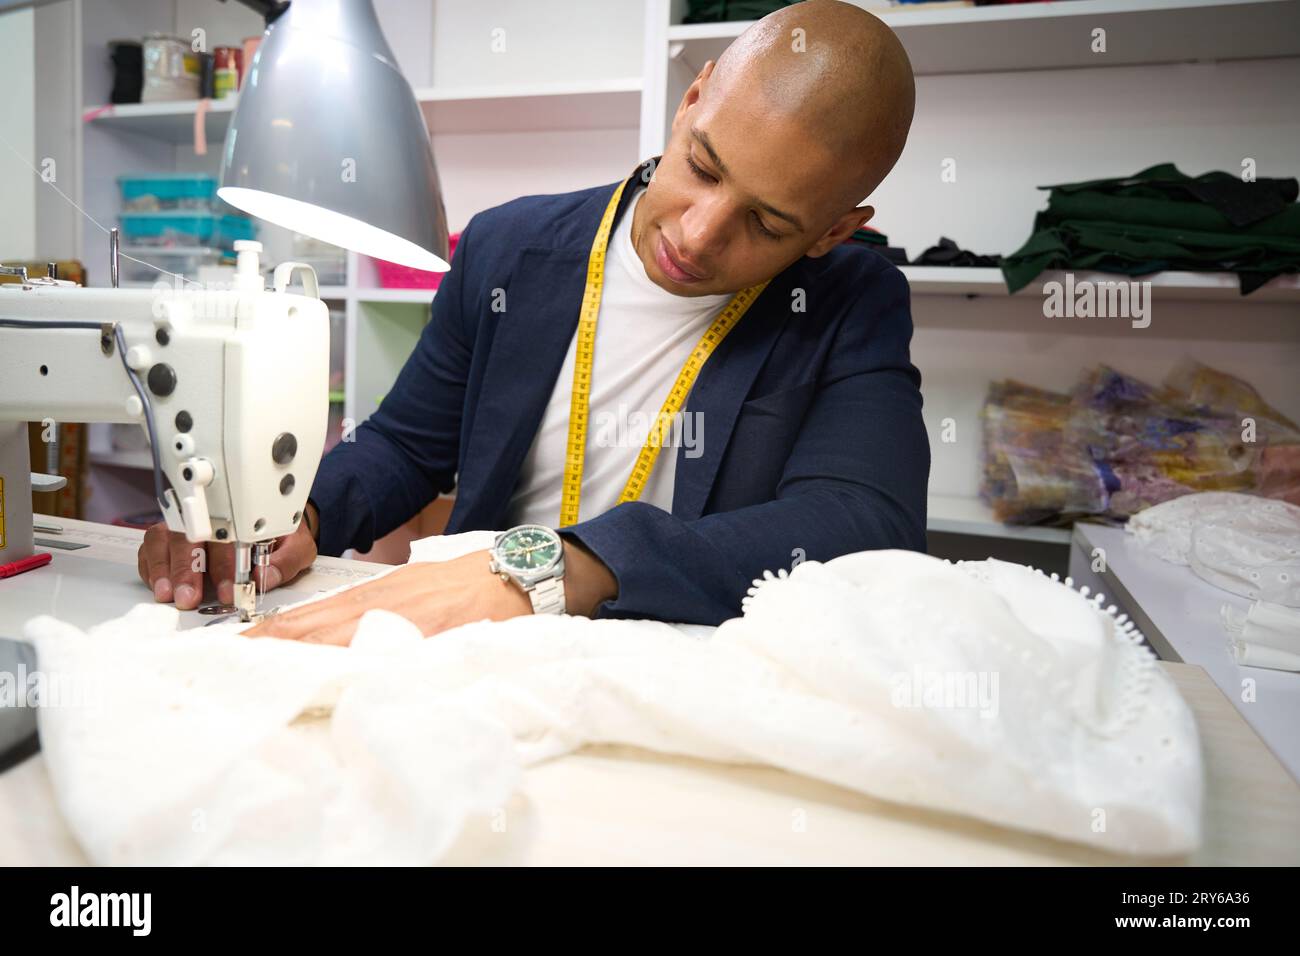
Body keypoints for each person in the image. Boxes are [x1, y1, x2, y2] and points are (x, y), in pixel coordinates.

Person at [137, 0, 928, 645]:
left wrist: (562, 566)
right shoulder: (509, 247)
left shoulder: (849, 300)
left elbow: (865, 523)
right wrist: (293, 515)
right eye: (703, 167)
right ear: (694, 99)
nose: (697, 235)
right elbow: (410, 444)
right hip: (480, 648)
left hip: (670, 653)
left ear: (832, 232)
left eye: (767, 224)